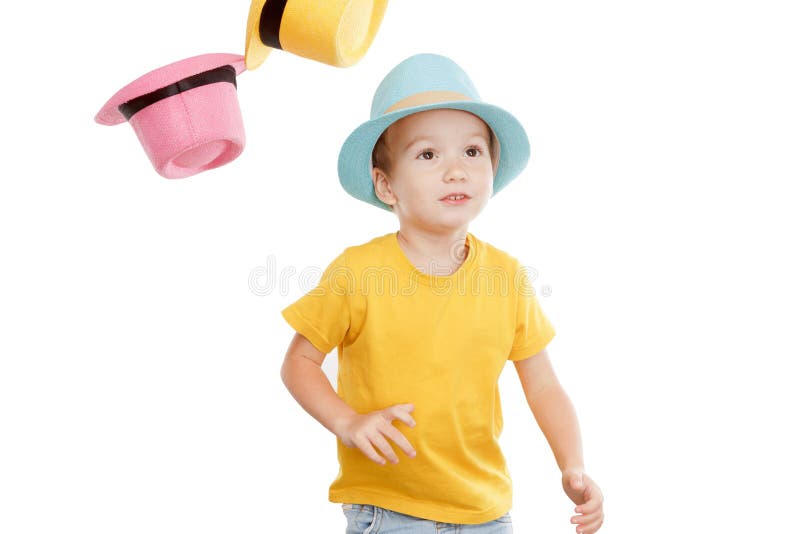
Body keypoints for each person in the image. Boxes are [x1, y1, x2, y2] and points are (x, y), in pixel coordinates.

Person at [279, 53, 604, 533]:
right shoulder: (358, 272)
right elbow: (299, 363)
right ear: (386, 185)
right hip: (389, 512)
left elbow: (544, 387)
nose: (456, 171)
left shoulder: (507, 278)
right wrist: (347, 422)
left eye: (471, 151)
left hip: (486, 514)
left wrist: (572, 465)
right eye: (428, 155)